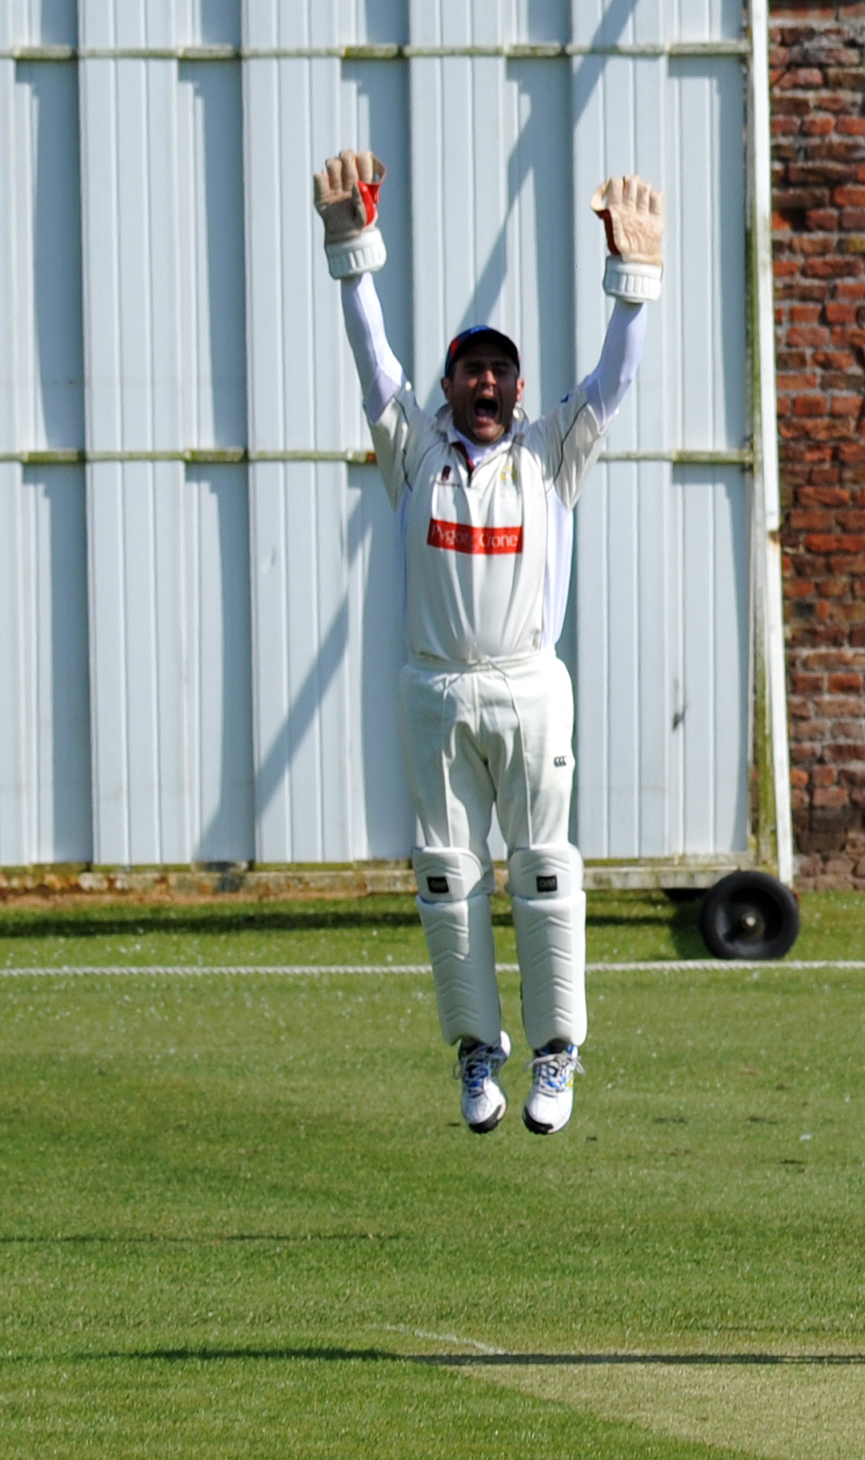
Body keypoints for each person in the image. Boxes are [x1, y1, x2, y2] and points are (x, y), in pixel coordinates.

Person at [311, 149, 663, 1136]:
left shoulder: (551, 455)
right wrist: (351, 248)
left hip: (528, 687)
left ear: (517, 386)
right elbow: (366, 348)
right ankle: (477, 1049)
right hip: (434, 690)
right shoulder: (413, 448)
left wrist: (633, 288)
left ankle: (557, 1052)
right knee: (443, 869)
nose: (487, 382)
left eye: (501, 369)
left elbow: (616, 379)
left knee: (542, 865)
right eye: (471, 368)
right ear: (449, 385)